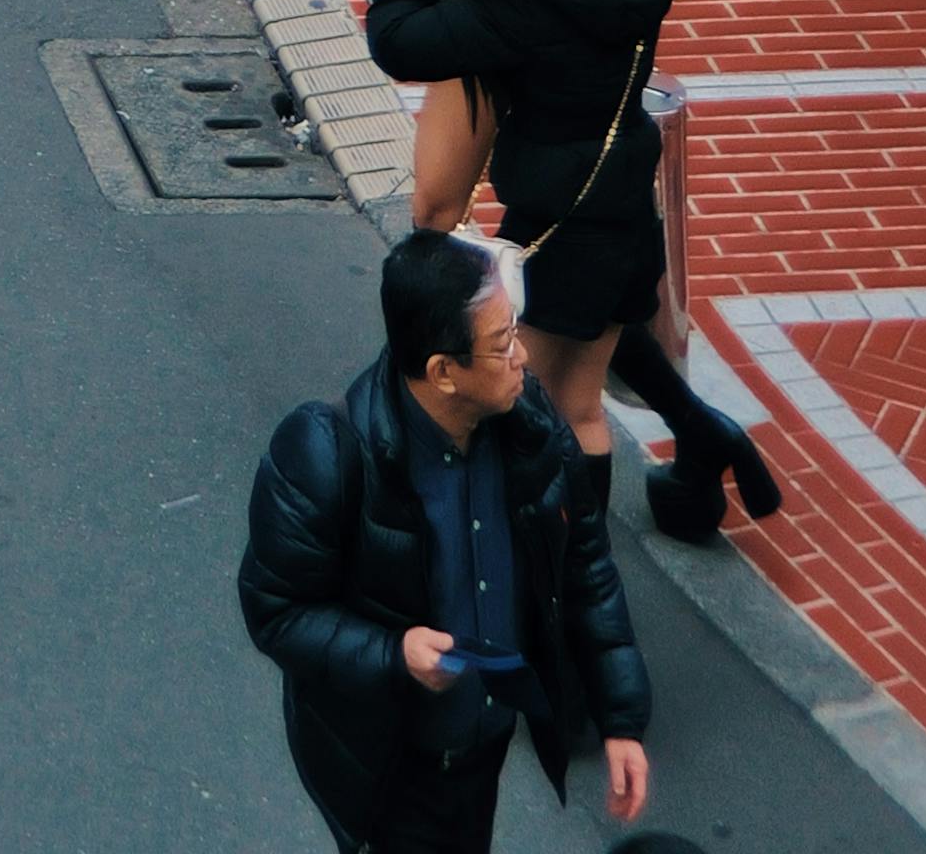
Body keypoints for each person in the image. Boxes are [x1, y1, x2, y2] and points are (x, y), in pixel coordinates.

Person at [342, 0, 773, 547]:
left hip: (525, 107)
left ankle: (555, 549)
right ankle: (689, 440)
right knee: (579, 361)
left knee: (531, 383)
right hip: (614, 191)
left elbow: (397, 39)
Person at [237, 235, 654, 854]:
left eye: (514, 330)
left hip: (480, 752)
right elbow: (277, 612)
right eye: (501, 343)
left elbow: (586, 568)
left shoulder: (529, 423)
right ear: (443, 373)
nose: (523, 356)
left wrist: (620, 717)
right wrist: (392, 653)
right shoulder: (324, 454)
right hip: (389, 768)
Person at [360, 0, 697, 495]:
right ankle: (586, 567)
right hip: (625, 212)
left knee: (531, 412)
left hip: (558, 226)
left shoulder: (516, 5)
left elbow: (396, 39)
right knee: (581, 406)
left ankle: (567, 572)